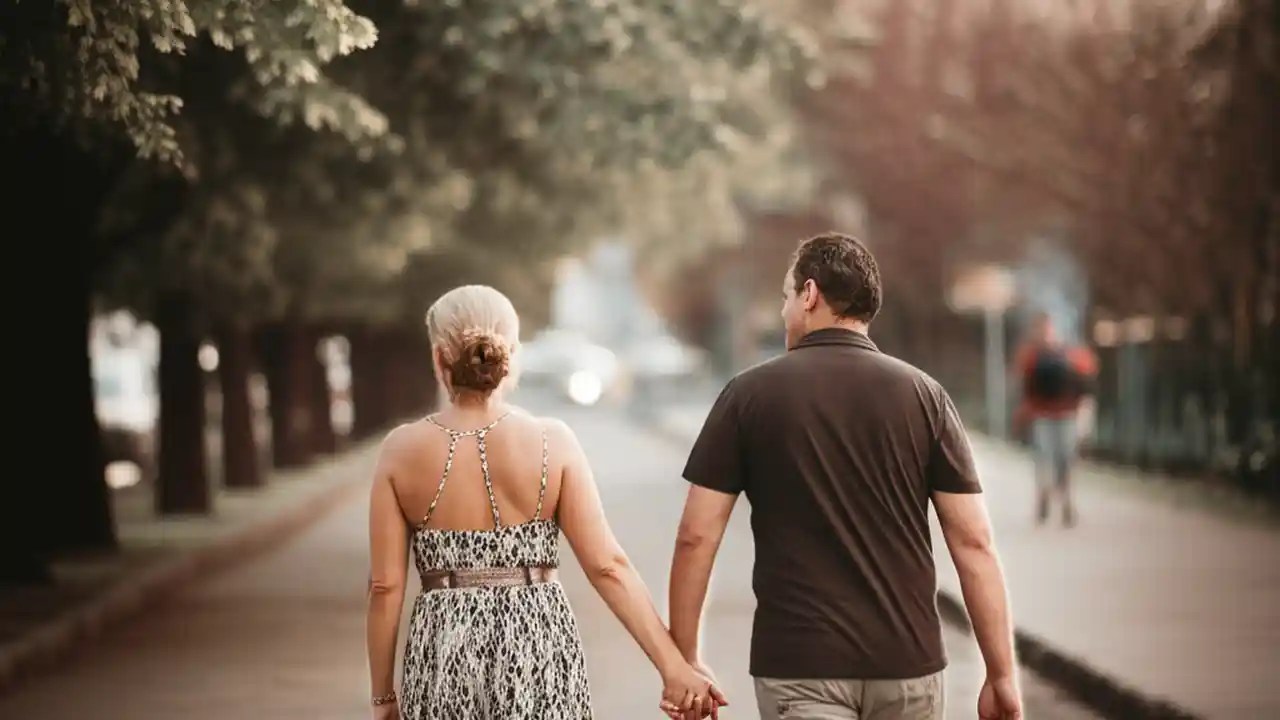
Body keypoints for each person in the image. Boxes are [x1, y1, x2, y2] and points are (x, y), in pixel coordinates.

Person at [664, 233, 1023, 720]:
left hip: (799, 666)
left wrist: (686, 660)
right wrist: (1001, 675)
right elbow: (974, 542)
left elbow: (696, 536)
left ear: (809, 295)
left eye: (787, 297)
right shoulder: (925, 396)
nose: (786, 310)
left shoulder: (747, 396)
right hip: (907, 664)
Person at [365, 285, 724, 720]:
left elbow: (385, 588)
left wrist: (384, 697)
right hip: (539, 646)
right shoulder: (553, 441)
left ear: (440, 357)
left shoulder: (400, 450)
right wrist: (674, 668)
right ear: (511, 354)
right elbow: (607, 566)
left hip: (442, 652)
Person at [1012, 311, 1097, 527]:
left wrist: (1085, 413)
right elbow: (1025, 387)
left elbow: (1086, 384)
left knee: (1066, 460)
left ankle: (1067, 500)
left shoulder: (1074, 355)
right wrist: (1024, 414)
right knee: (1043, 460)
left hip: (1067, 415)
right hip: (1042, 416)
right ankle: (1044, 495)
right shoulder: (1031, 356)